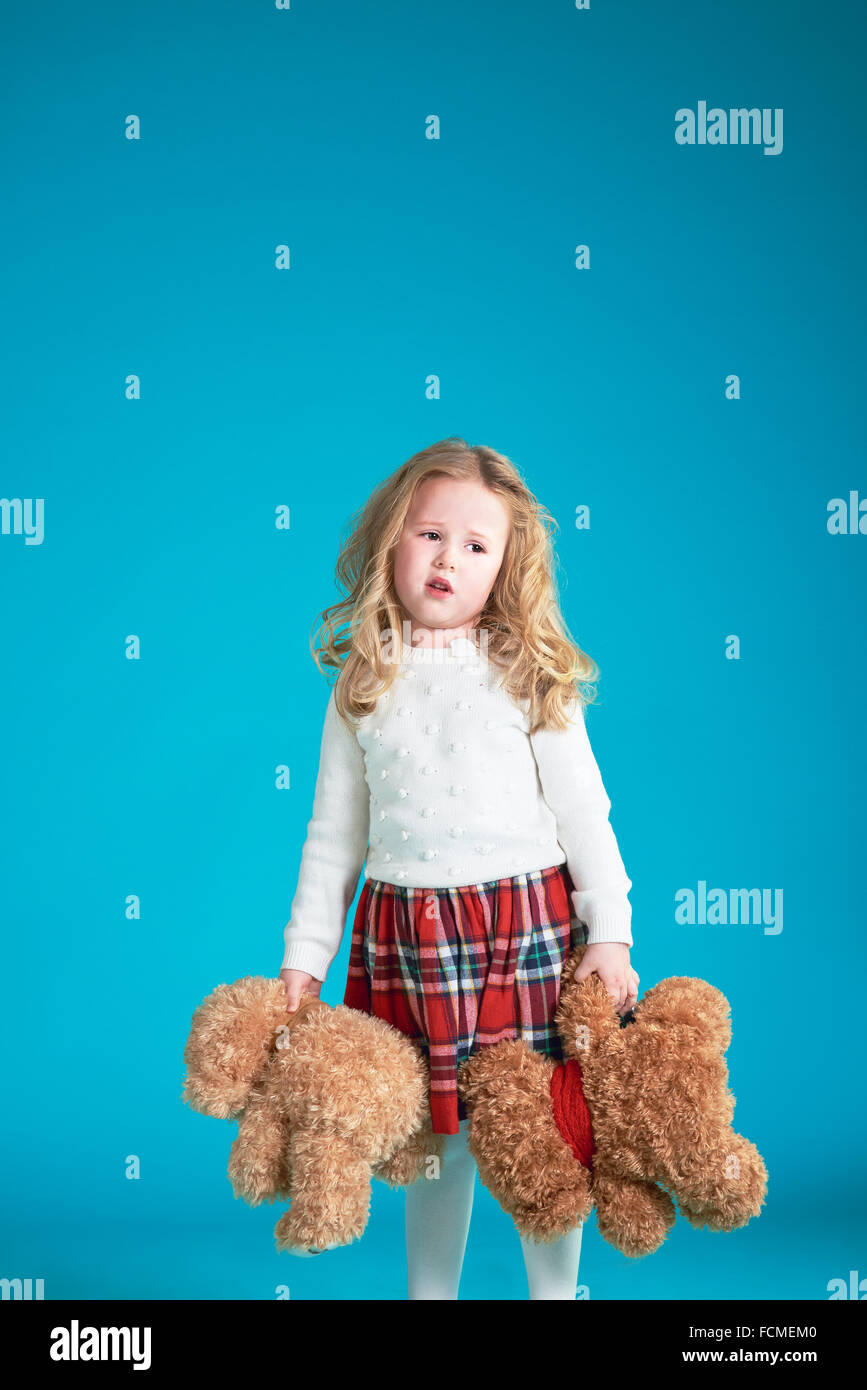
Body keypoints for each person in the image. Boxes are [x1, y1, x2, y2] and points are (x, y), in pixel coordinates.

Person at [278, 436, 638, 1299]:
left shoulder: (527, 673)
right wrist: (302, 960)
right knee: (436, 1139)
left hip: (527, 931)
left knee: (539, 1132)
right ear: (390, 540)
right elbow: (332, 835)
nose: (448, 558)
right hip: (409, 936)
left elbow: (585, 813)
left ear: (505, 569)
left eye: (476, 546)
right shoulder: (362, 681)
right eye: (429, 534)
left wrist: (612, 935)